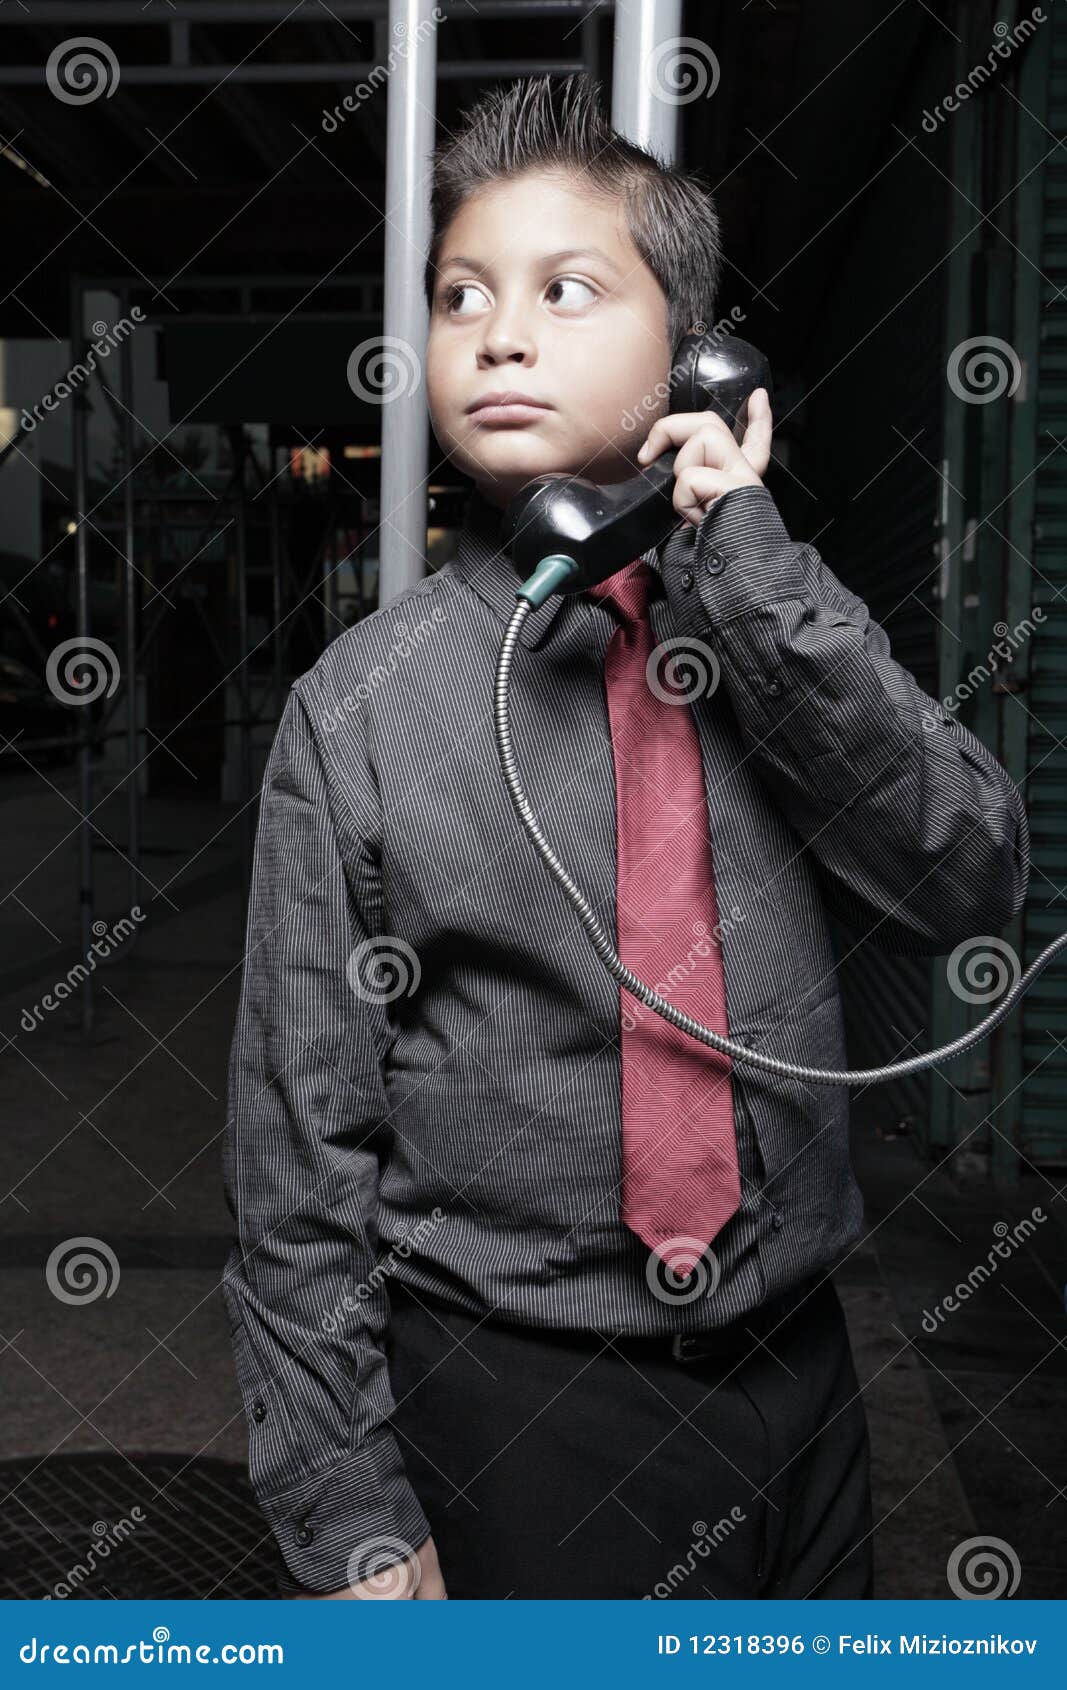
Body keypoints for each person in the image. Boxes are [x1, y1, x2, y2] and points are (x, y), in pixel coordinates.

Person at [221, 71, 1029, 1601]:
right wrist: (353, 1513)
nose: (499, 330)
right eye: (462, 294)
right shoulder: (360, 709)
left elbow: (967, 873)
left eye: (564, 289)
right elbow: (293, 1154)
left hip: (801, 1375)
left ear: (700, 359)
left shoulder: (783, 635)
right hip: (518, 1389)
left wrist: (753, 565)